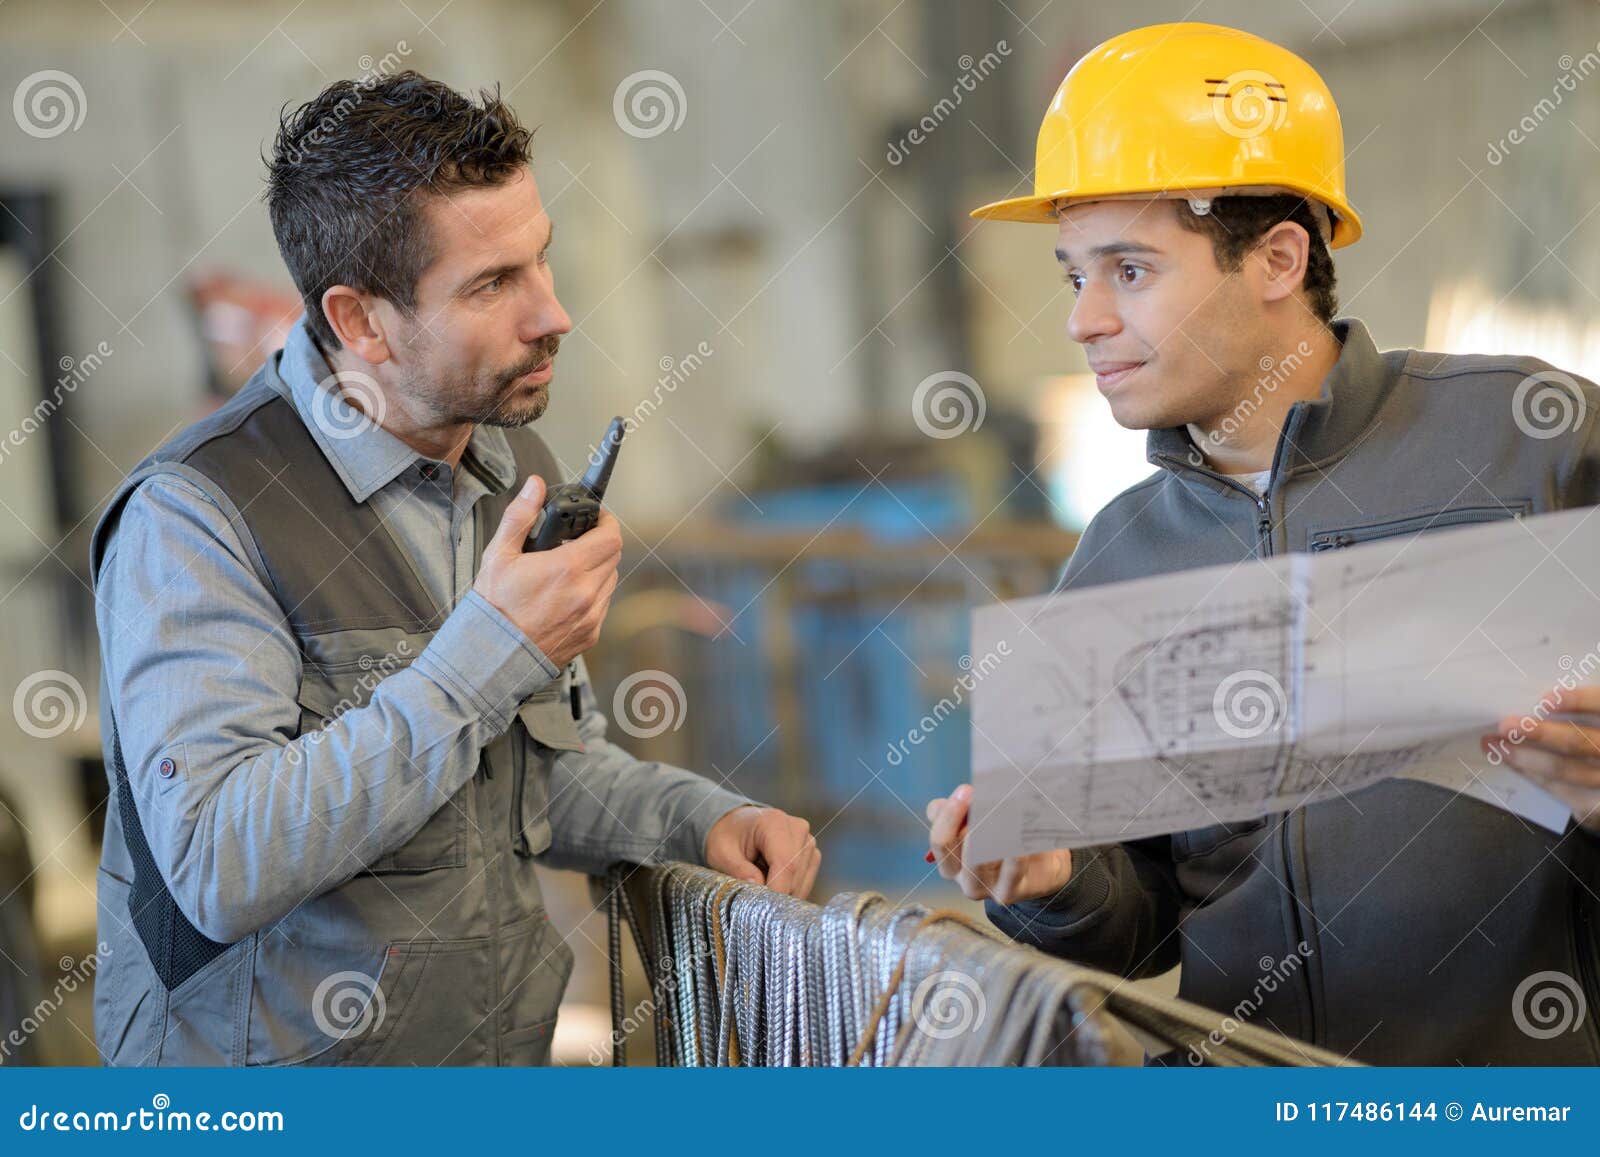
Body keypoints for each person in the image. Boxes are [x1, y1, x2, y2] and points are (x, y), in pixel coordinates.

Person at [90, 72, 818, 1067]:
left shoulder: (512, 471)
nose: (552, 313)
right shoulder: (197, 516)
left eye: (540, 259)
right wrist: (492, 649)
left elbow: (527, 779)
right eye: (491, 284)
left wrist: (695, 818)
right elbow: (219, 862)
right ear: (360, 320)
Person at [927, 23, 1600, 1065]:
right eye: (1073, 277)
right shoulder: (1120, 553)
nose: (1084, 320)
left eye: (1129, 270)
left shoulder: (1529, 440)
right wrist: (1052, 879)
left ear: (1279, 258)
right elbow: (1142, 919)